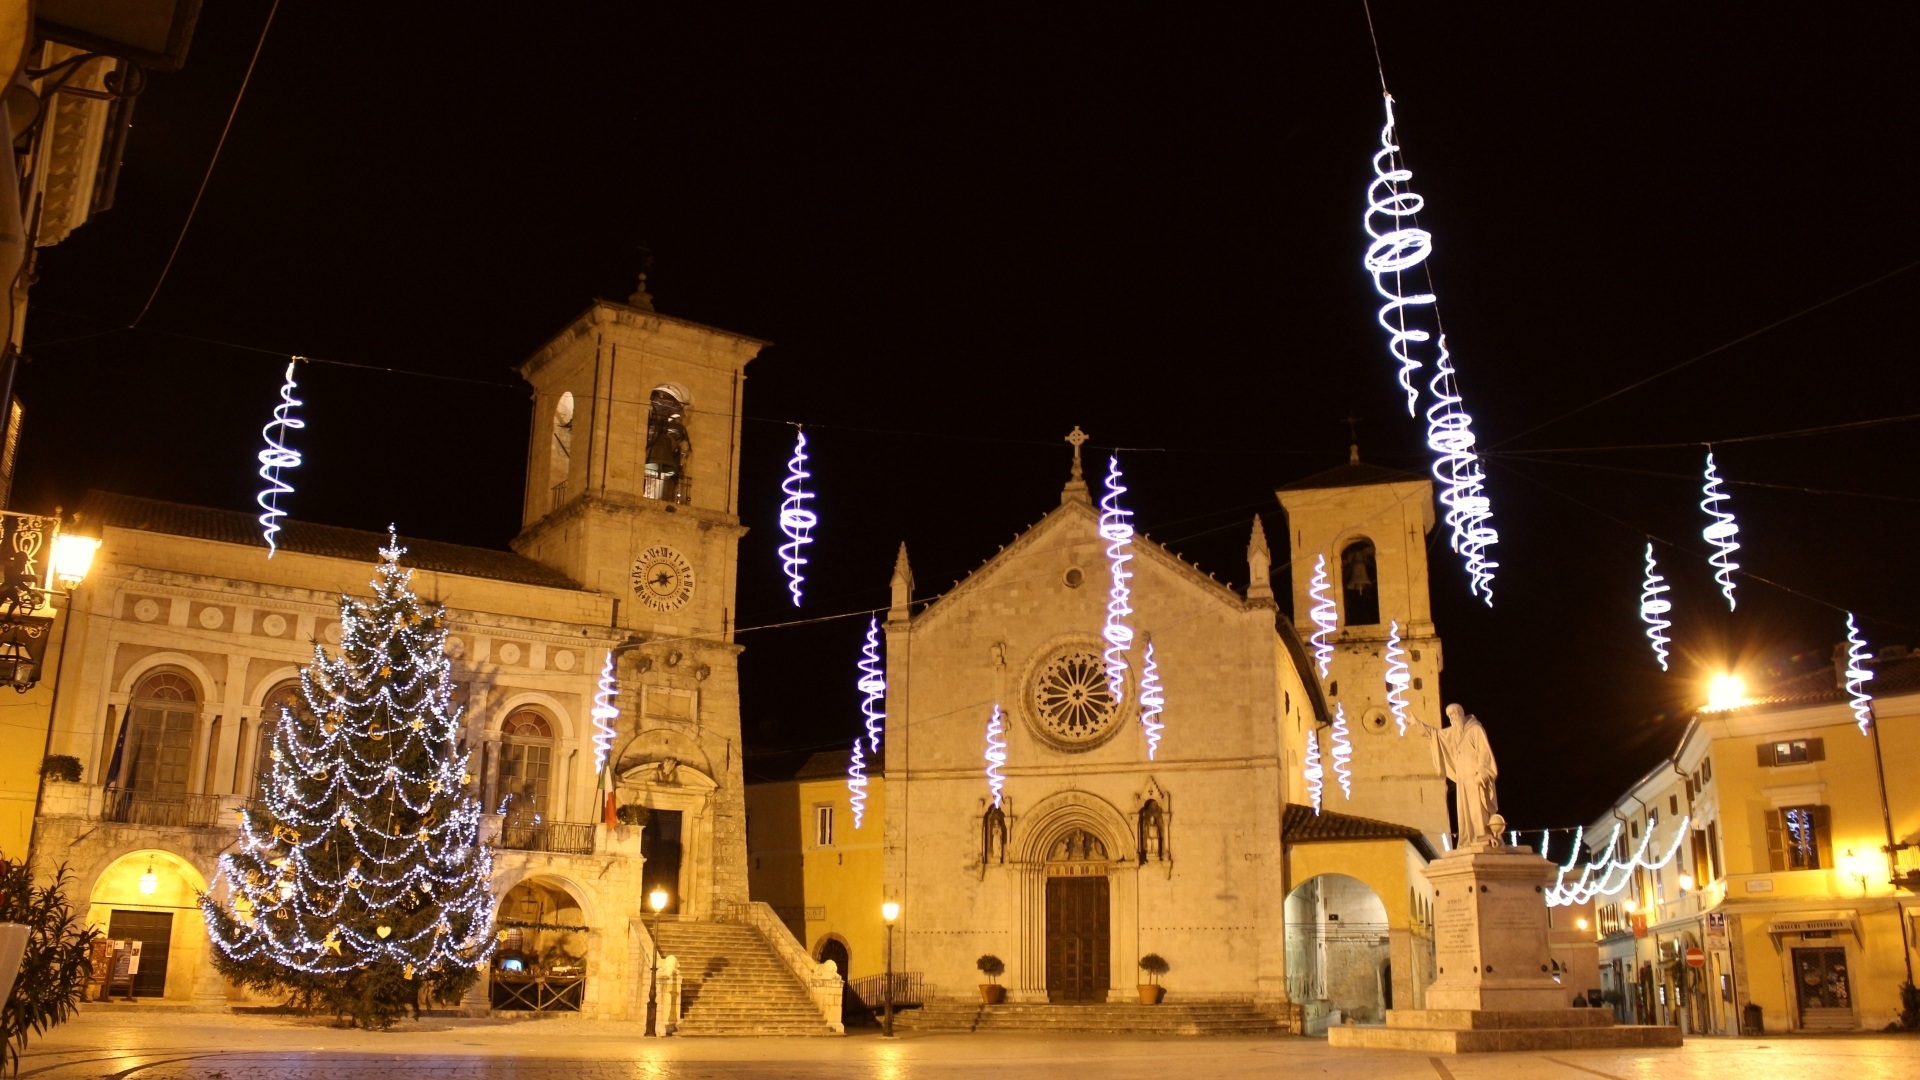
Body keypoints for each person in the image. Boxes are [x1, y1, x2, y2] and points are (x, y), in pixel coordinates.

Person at [1414, 703, 1499, 845]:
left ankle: (1482, 835)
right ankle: (1468, 837)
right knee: (1464, 809)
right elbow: (1436, 735)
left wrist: (1482, 772)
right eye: (1449, 716)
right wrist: (1416, 723)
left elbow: (1484, 752)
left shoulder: (1475, 729)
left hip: (1475, 775)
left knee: (1477, 806)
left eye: (1453, 714)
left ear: (1460, 713)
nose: (1451, 718)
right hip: (1462, 778)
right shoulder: (1454, 732)